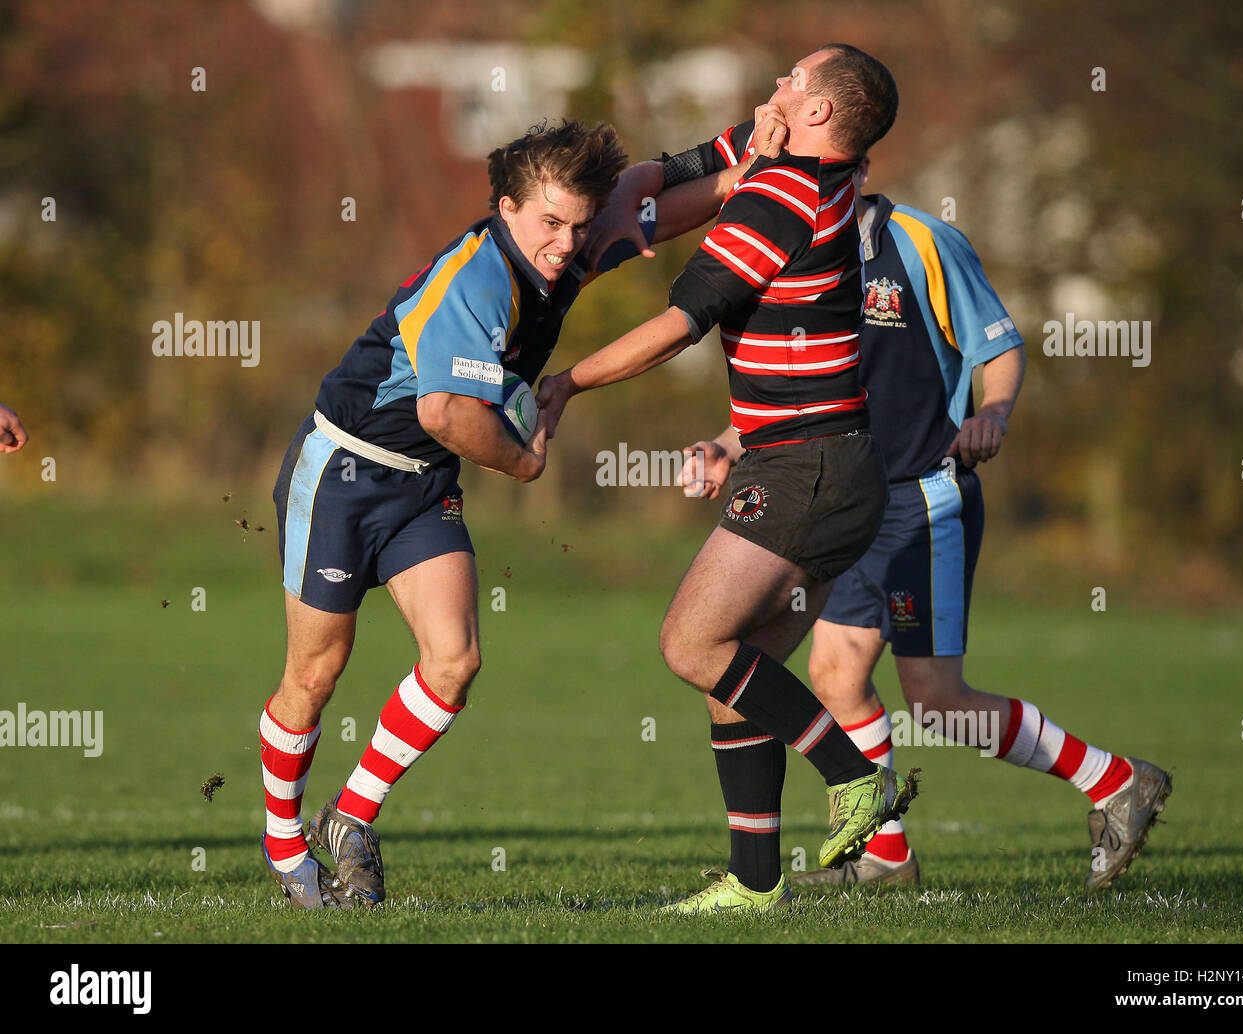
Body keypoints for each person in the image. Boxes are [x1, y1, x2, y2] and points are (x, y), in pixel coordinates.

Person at [677, 165, 1172, 892]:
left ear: (861, 167)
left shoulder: (922, 242)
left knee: (936, 701)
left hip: (922, 495)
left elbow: (998, 345)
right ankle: (887, 858)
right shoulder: (786, 250)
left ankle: (1115, 780)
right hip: (843, 499)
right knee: (836, 674)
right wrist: (727, 442)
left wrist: (992, 414)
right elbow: (798, 391)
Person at [539, 44, 918, 915]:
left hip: (808, 472)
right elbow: (665, 179)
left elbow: (679, 323)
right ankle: (755, 885)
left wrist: (567, 382)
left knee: (692, 646)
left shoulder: (780, 195)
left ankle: (856, 777)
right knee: (735, 681)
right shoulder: (825, 165)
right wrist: (656, 189)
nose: (776, 87)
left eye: (793, 79)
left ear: (820, 111)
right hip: (826, 465)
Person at [261, 120, 628, 909]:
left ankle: (349, 818)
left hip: (423, 485)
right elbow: (446, 415)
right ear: (506, 206)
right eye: (550, 223)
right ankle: (284, 844)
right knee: (316, 674)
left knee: (454, 661)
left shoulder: (563, 250)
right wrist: (526, 461)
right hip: (344, 473)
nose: (567, 244)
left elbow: (660, 194)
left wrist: (746, 163)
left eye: (580, 225)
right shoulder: (479, 278)